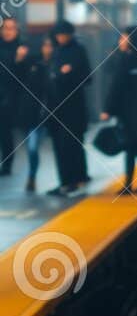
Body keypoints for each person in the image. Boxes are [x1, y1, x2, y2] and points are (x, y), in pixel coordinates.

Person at [101, 27, 137, 194]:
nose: (121, 41)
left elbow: (116, 87)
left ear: (133, 41)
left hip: (128, 113)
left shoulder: (125, 61)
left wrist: (108, 110)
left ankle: (130, 184)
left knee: (133, 148)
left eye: (124, 38)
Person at [46, 21, 90, 197]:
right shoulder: (56, 52)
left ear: (70, 34)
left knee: (70, 144)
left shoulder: (78, 51)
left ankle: (73, 180)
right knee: (61, 145)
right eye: (58, 35)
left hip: (73, 106)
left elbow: (88, 77)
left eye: (63, 34)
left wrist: (68, 73)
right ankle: (67, 180)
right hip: (56, 107)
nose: (60, 38)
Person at [14, 38, 51, 193]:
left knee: (33, 147)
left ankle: (32, 176)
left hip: (46, 114)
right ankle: (32, 176)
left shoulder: (53, 65)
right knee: (31, 148)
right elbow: (16, 77)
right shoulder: (32, 64)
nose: (48, 49)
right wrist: (19, 60)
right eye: (45, 45)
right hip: (31, 114)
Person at [0, 18, 21, 176]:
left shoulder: (22, 49)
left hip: (11, 97)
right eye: (5, 28)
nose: (8, 31)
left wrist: (19, 61)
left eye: (11, 28)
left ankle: (7, 165)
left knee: (5, 132)